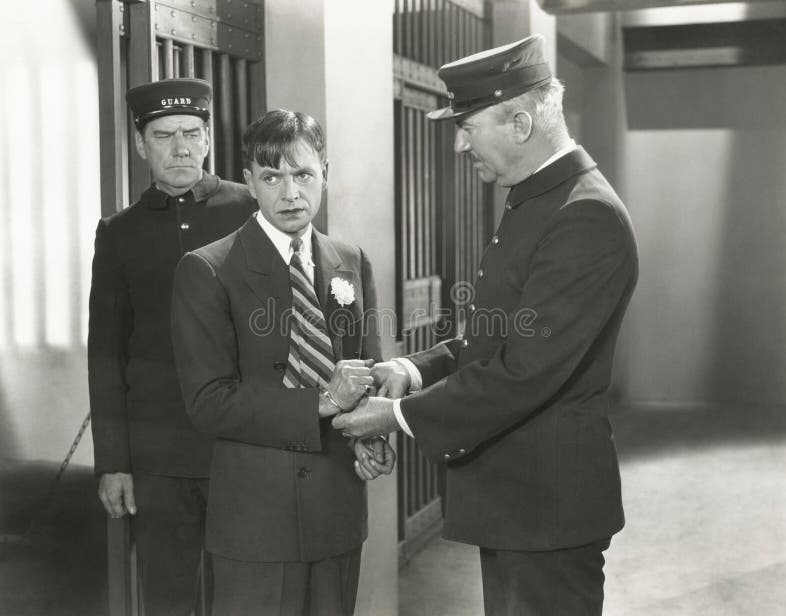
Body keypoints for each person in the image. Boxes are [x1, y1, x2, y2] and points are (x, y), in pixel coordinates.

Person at [333, 35, 639, 615]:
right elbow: (496, 335)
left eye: (467, 126)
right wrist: (412, 368)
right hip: (523, 505)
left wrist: (395, 414)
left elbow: (523, 372)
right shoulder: (542, 200)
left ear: (520, 122)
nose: (458, 144)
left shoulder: (584, 216)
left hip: (548, 511)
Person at [170, 109, 396, 616]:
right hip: (256, 523)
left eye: (302, 174)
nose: (290, 193)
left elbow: (367, 371)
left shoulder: (350, 260)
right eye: (271, 177)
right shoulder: (209, 269)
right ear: (249, 181)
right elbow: (208, 403)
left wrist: (370, 434)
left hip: (337, 512)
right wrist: (322, 401)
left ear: (325, 173)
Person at [88, 78, 257, 615]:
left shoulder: (251, 209)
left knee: (244, 595)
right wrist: (113, 461)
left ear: (208, 140)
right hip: (157, 454)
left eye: (192, 133)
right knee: (167, 598)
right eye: (164, 135)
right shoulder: (118, 233)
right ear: (142, 144)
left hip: (242, 444)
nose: (180, 147)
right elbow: (106, 354)